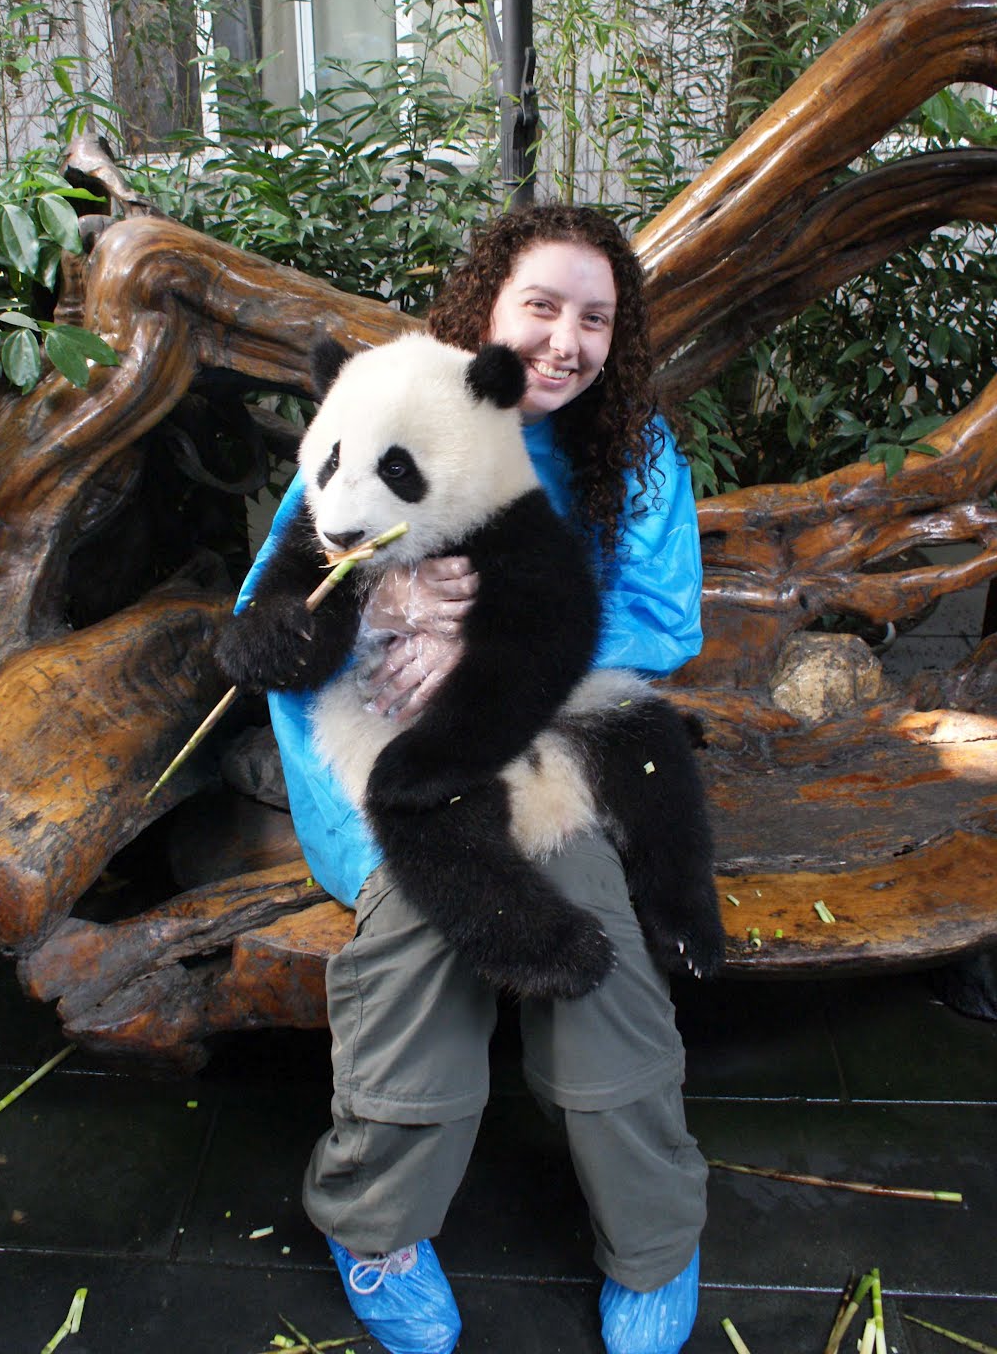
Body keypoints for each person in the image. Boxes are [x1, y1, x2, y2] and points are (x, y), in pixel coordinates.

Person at [236, 204, 708, 1354]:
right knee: (417, 939)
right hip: (391, 759)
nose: (567, 339)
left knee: (597, 937)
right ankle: (376, 1221)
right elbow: (281, 603)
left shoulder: (629, 452)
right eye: (542, 305)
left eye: (596, 318)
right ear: (489, 316)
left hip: (546, 737)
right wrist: (380, 601)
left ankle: (655, 1236)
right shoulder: (400, 403)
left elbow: (659, 619)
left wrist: (495, 641)